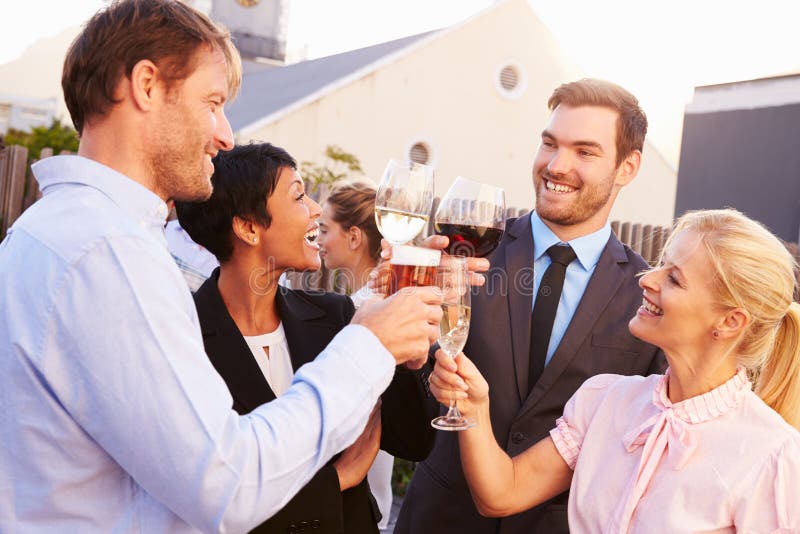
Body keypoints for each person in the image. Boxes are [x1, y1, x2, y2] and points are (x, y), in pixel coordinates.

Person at [0, 1, 444, 532]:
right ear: (146, 86)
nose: (225, 134)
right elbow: (227, 482)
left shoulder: (47, 233)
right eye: (212, 103)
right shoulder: (108, 252)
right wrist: (367, 344)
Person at [396, 78, 666, 533]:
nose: (556, 166)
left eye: (584, 151)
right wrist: (401, 324)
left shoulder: (647, 296)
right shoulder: (463, 252)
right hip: (440, 519)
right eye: (549, 143)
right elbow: (405, 407)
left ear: (628, 166)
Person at [431, 208, 800, 532]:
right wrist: (474, 406)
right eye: (661, 264)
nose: (647, 279)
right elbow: (502, 493)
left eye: (674, 278)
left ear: (731, 321)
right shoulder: (605, 399)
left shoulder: (771, 457)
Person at [176, 143, 437, 533]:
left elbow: (414, 441)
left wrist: (405, 349)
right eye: (299, 197)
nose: (316, 209)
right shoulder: (185, 340)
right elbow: (211, 496)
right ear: (248, 227)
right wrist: (336, 481)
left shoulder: (336, 316)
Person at [317, 180, 396, 530]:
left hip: (356, 500)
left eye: (323, 229)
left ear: (353, 237)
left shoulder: (358, 311)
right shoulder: (366, 302)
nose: (318, 240)